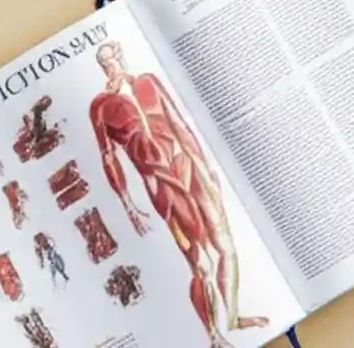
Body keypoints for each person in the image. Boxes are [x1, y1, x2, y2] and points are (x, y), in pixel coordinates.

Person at [89, 42, 267, 347]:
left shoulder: (148, 83)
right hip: (163, 186)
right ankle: (213, 335)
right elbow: (108, 157)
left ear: (123, 56)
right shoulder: (101, 106)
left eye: (116, 58)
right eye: (107, 63)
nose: (114, 66)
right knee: (200, 264)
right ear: (102, 68)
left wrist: (207, 172)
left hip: (190, 172)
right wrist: (128, 204)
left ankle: (234, 316)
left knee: (225, 245)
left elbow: (181, 126)